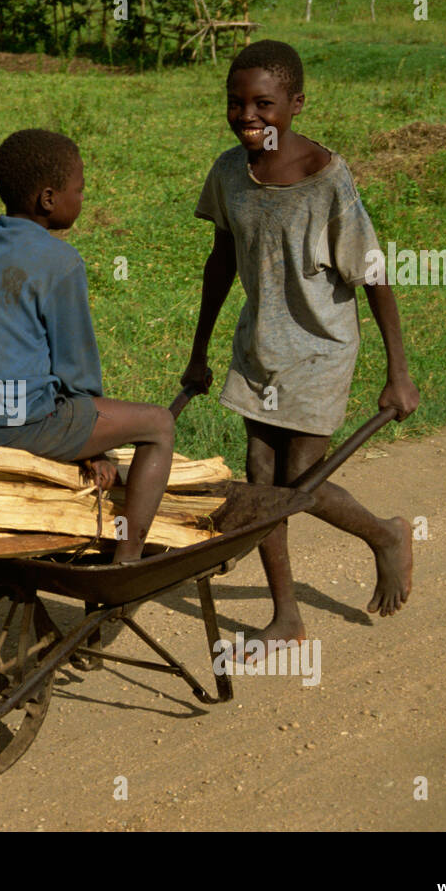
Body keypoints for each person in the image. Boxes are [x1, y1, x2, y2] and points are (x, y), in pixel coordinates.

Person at [180, 40, 420, 659]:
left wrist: (398, 371)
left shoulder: (326, 179)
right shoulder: (228, 172)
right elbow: (222, 259)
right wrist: (200, 350)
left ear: (295, 103)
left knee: (297, 480)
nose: (247, 116)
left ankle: (386, 535)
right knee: (262, 481)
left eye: (263, 103)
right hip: (261, 346)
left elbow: (372, 273)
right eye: (236, 103)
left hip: (319, 349)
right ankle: (286, 615)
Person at [0, 128, 174, 563]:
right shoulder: (62, 262)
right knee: (158, 425)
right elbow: (77, 373)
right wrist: (94, 447)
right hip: (17, 423)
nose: (83, 199)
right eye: (78, 190)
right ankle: (128, 559)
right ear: (48, 198)